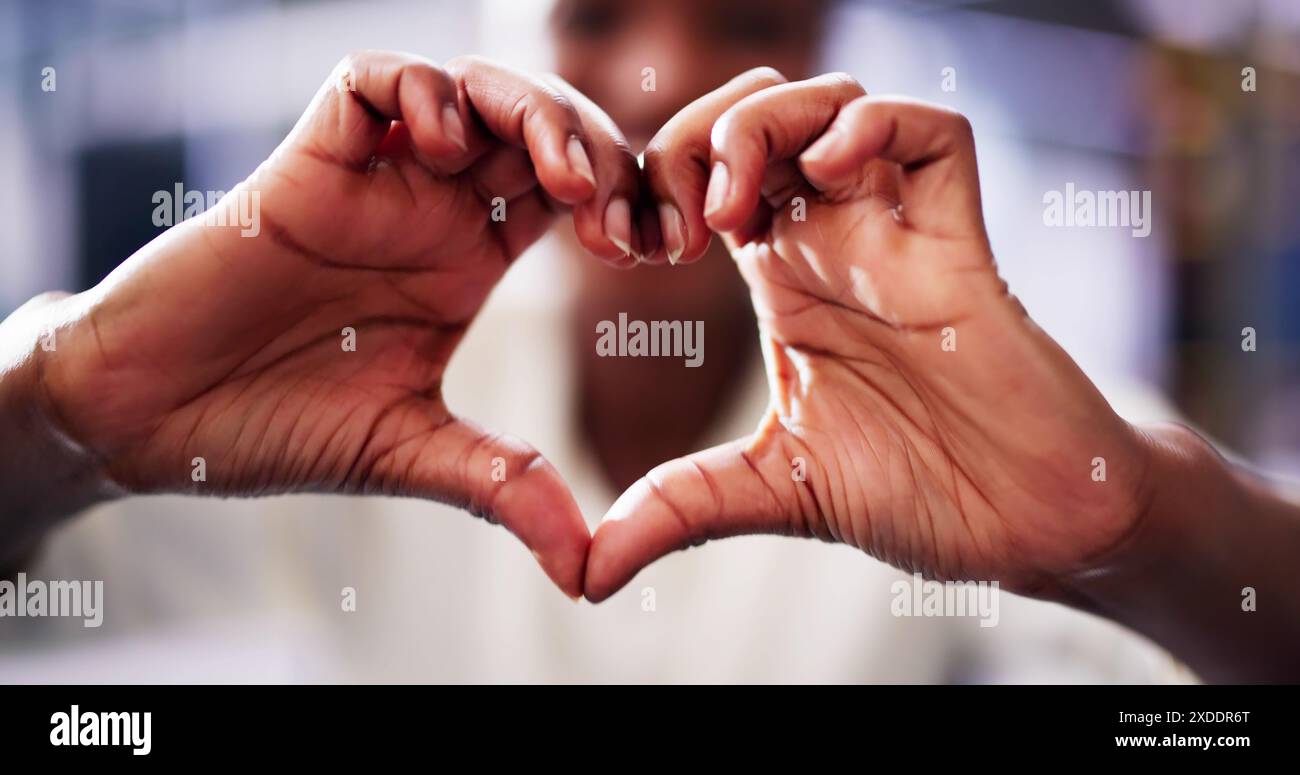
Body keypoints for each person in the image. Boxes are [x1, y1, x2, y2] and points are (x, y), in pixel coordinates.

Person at [2, 0, 1295, 683]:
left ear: (830, 39)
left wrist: (1134, 521)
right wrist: (64, 393)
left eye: (744, 19)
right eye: (593, 11)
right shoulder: (333, 373)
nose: (654, 83)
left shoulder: (944, 381)